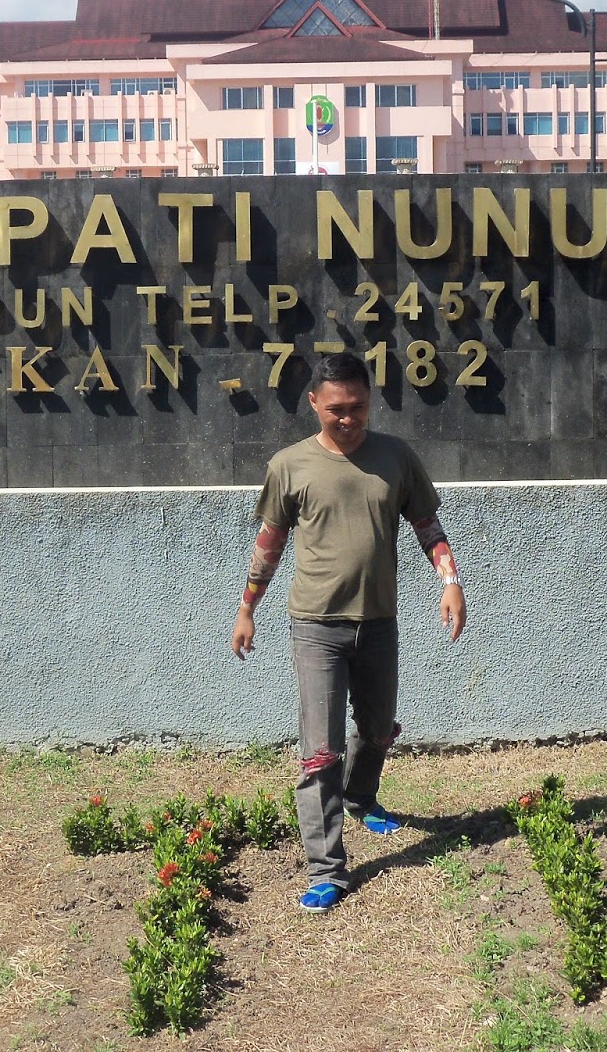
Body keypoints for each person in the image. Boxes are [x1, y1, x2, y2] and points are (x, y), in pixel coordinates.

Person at [231, 351, 467, 912]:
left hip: (378, 621)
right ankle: (327, 869)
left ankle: (361, 797)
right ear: (314, 402)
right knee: (321, 751)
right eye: (336, 408)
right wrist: (247, 609)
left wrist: (451, 581)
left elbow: (427, 524)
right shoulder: (290, 465)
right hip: (316, 626)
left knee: (379, 727)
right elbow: (269, 543)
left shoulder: (396, 457)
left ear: (370, 401)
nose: (347, 418)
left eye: (357, 407)